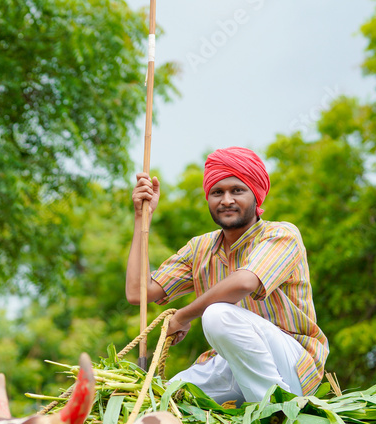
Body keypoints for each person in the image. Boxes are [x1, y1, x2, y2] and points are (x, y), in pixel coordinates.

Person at [126, 146, 328, 405]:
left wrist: (184, 315)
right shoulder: (200, 248)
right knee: (162, 400)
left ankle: (275, 411)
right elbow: (137, 293)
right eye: (217, 192)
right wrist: (142, 217)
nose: (227, 200)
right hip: (228, 361)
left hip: (290, 364)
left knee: (217, 315)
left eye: (237, 190)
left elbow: (244, 282)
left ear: (256, 196)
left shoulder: (281, 235)